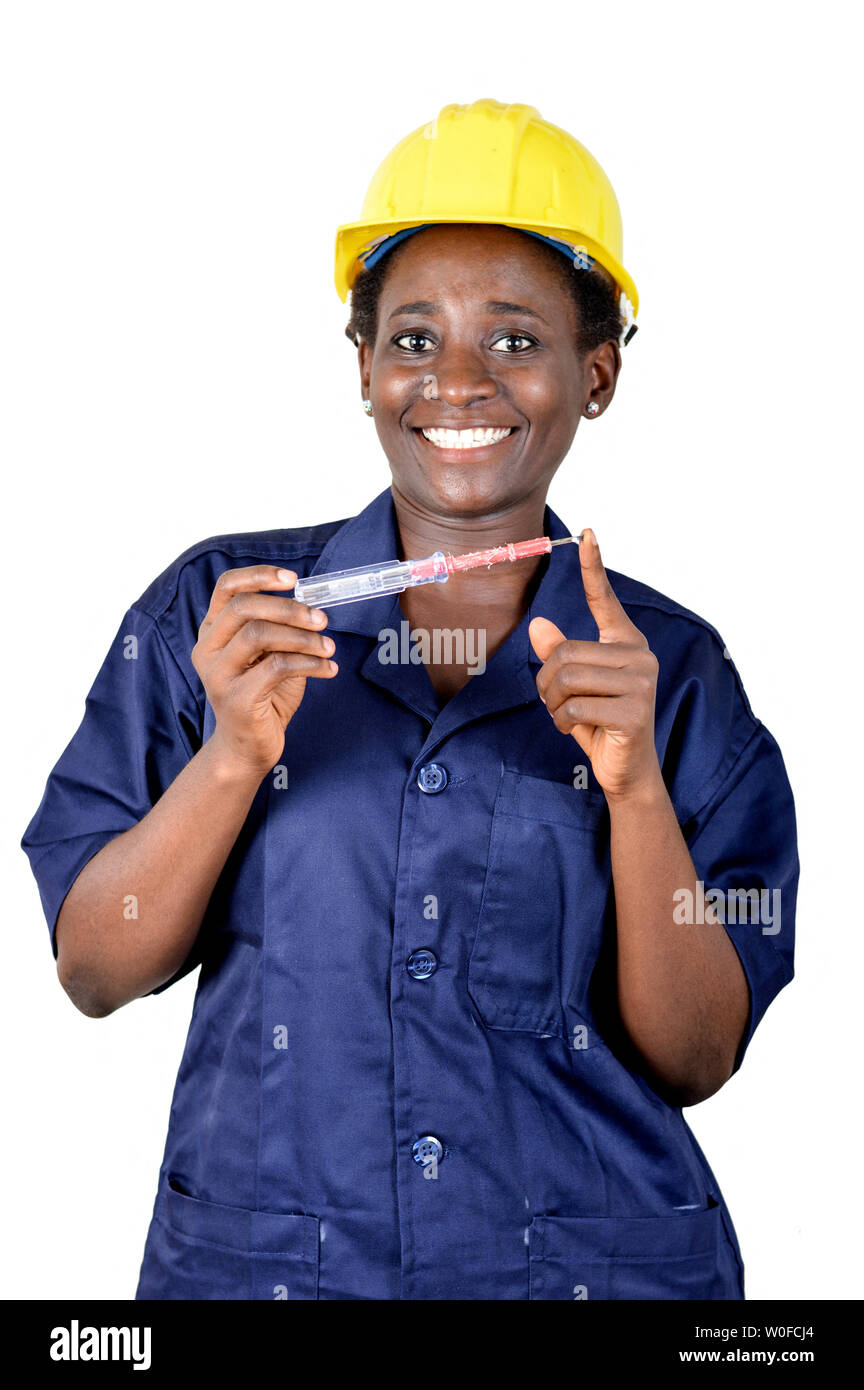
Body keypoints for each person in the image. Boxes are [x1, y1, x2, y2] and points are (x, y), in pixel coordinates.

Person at [21, 99, 797, 1300]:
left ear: (597, 375)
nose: (460, 383)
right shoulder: (216, 616)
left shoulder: (674, 672)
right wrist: (231, 755)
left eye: (518, 340)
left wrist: (636, 790)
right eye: (416, 339)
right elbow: (92, 968)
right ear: (367, 367)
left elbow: (696, 1055)